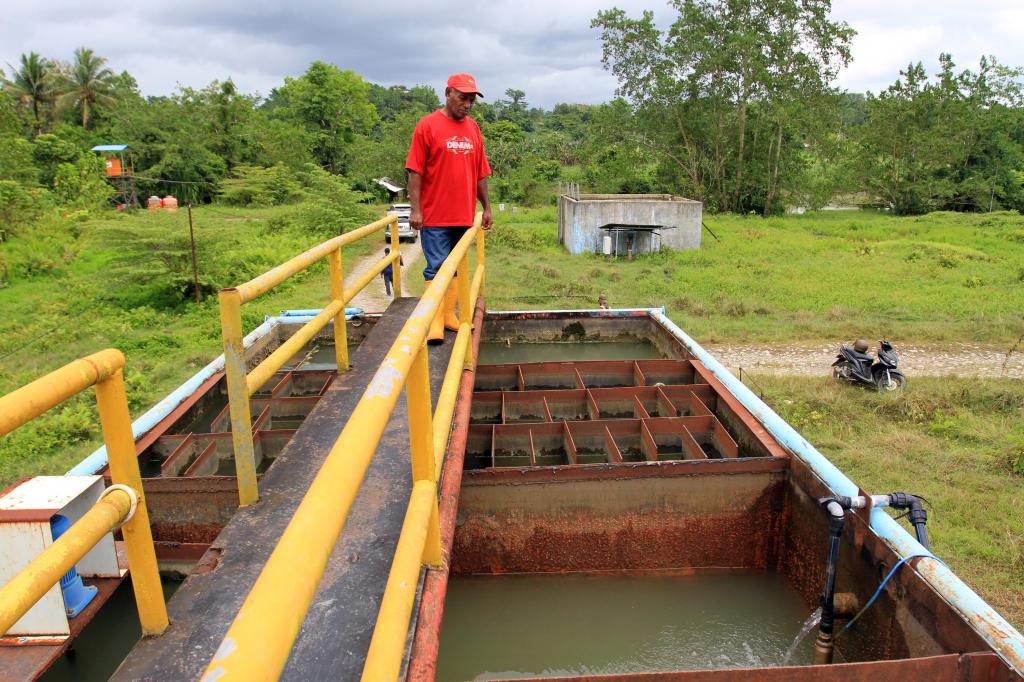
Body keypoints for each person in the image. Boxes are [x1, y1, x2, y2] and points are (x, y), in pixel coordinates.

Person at [406, 72, 493, 344]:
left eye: (471, 100)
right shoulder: (427, 126)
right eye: (462, 98)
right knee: (436, 267)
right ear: (447, 93)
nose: (467, 104)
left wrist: (486, 207)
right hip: (435, 216)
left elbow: (480, 173)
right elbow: (415, 171)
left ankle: (448, 316)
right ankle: (434, 322)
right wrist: (415, 210)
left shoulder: (473, 129)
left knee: (454, 267)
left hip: (463, 215)